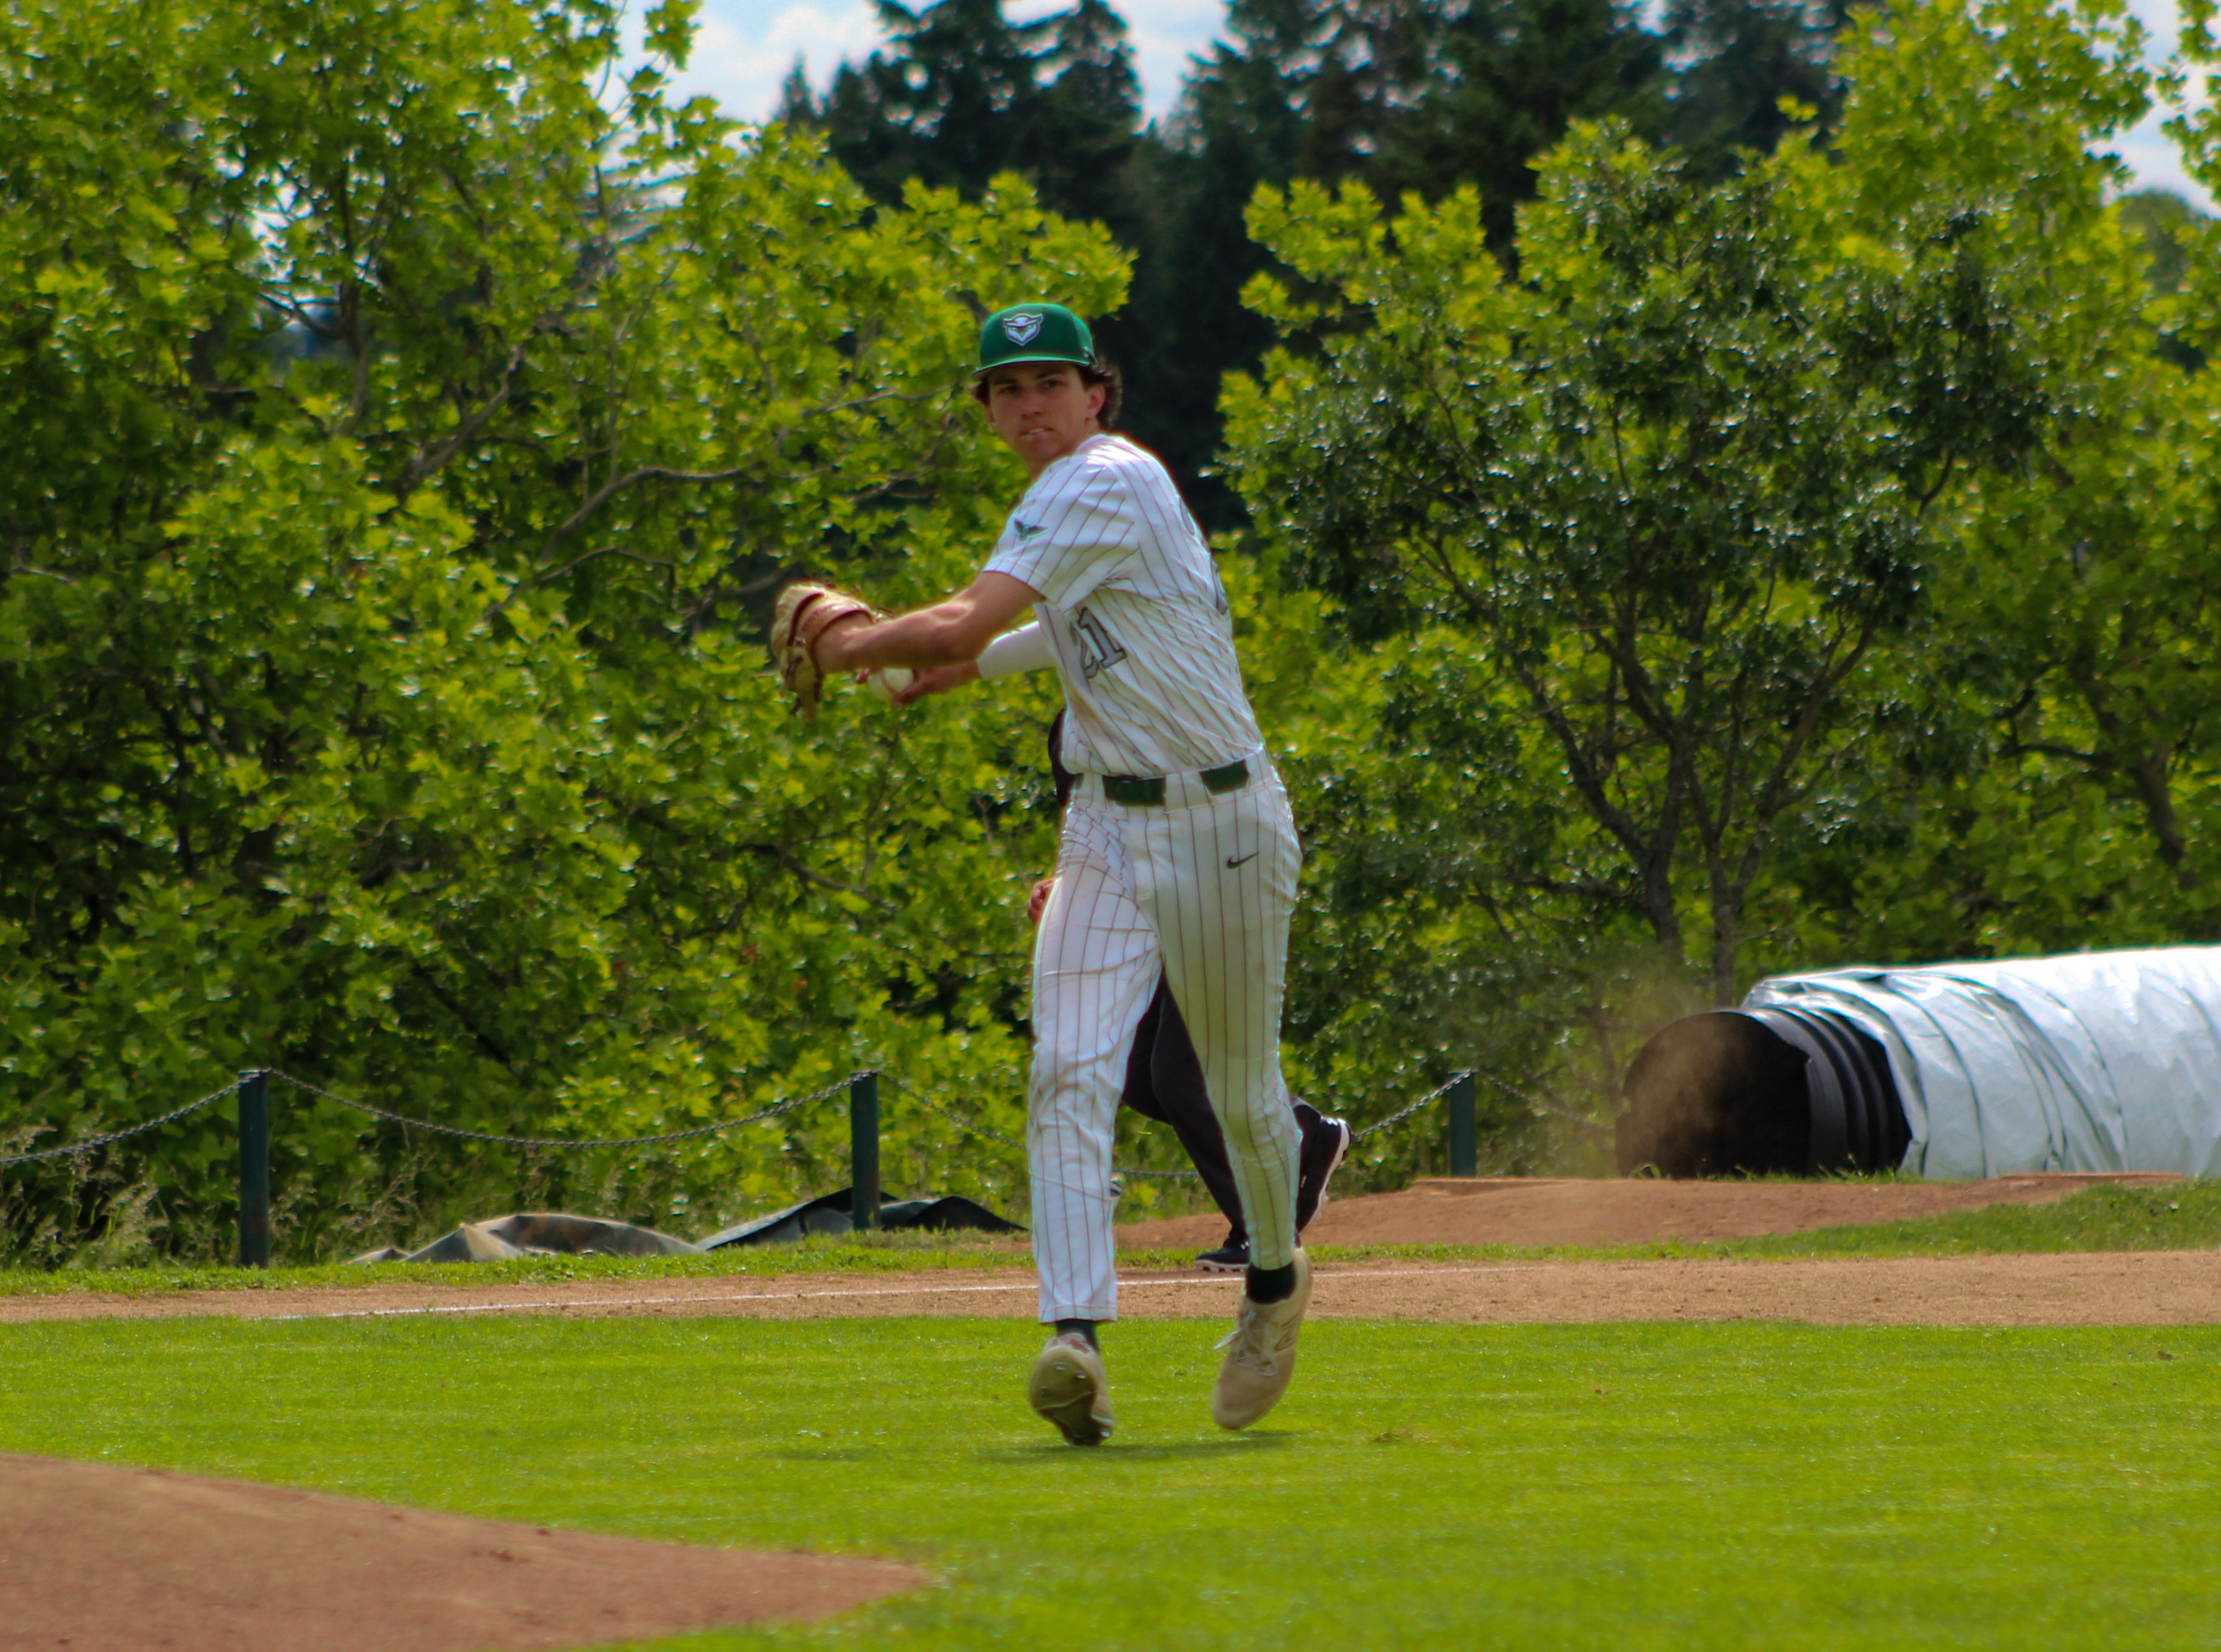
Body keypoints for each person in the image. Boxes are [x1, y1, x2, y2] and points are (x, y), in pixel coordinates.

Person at [800, 301, 1313, 1445]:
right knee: (1067, 1066)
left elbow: (960, 623)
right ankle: (1074, 1337)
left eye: (1048, 383)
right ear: (986, 410)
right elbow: (1065, 627)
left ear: (1096, 394)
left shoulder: (1106, 477)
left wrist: (861, 647)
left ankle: (1275, 1286)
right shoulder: (1070, 500)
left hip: (1220, 819)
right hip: (1103, 827)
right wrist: (954, 676)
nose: (1027, 404)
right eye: (1004, 388)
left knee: (1236, 1091)